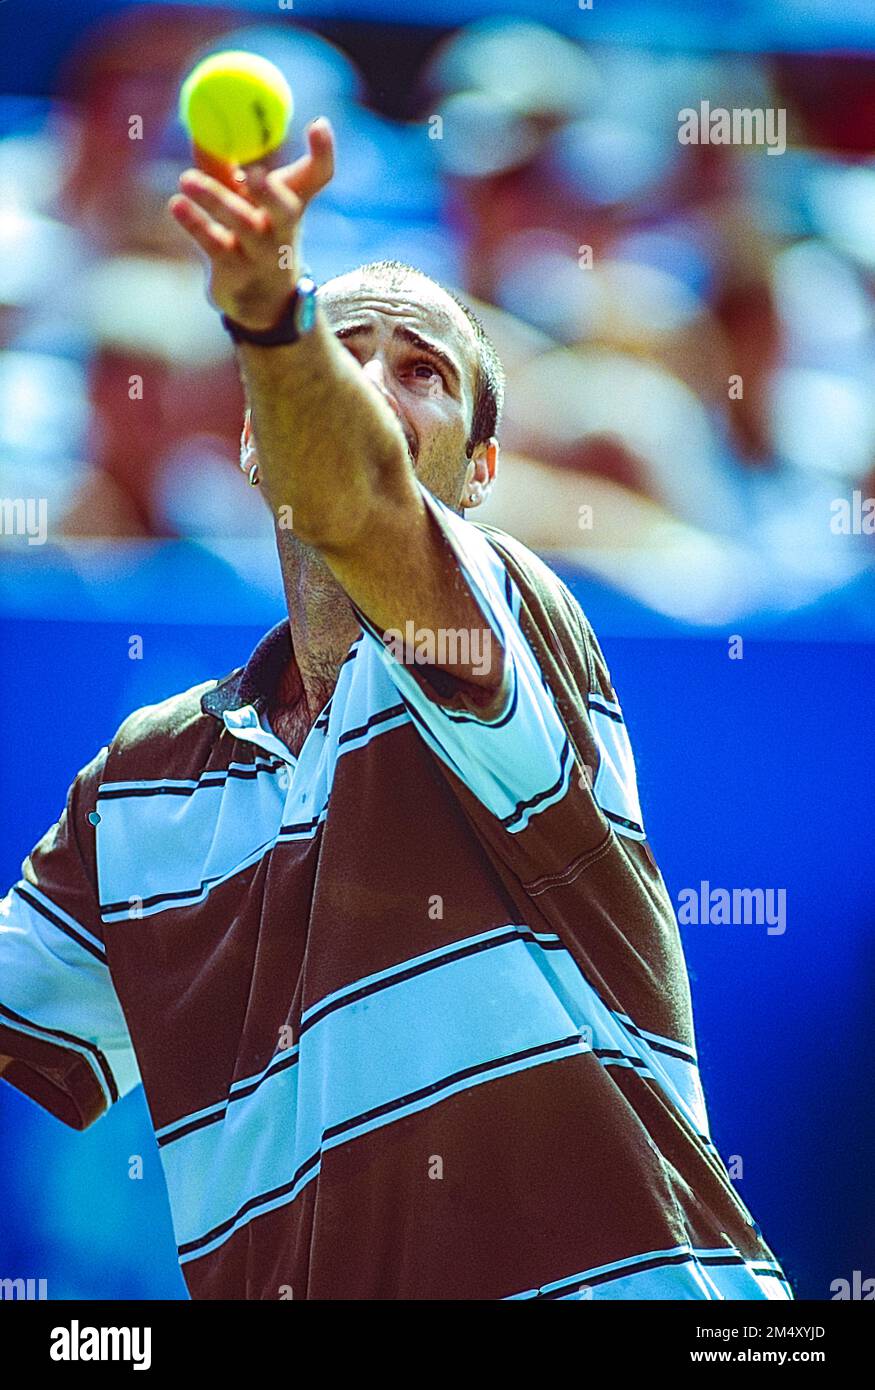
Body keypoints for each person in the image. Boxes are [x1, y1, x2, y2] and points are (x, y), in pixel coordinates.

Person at [0, 118, 792, 1301]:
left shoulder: (504, 620)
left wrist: (280, 320)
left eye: (419, 370)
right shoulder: (139, 781)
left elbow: (362, 499)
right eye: (338, 353)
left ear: (478, 474)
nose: (370, 390)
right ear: (252, 443)